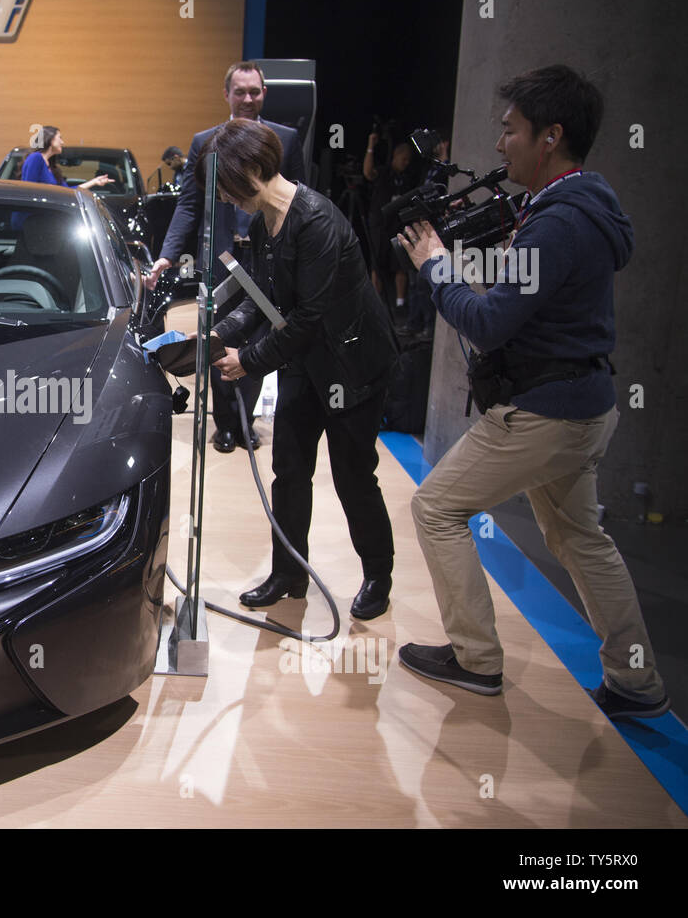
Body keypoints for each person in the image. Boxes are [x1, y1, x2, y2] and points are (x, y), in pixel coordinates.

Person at [397, 65, 669, 719]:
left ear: (551, 137)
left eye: (510, 130)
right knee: (580, 537)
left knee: (435, 509)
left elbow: (489, 322)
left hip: (544, 414)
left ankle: (476, 660)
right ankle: (638, 683)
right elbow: (529, 295)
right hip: (584, 405)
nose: (500, 144)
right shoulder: (586, 207)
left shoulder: (555, 225)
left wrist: (437, 267)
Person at [208, 119, 398, 619]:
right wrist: (218, 336)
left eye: (228, 185)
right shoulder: (260, 223)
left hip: (351, 364)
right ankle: (289, 571)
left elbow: (308, 319)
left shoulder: (316, 221)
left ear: (252, 169)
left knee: (354, 475)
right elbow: (262, 298)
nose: (226, 197)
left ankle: (378, 575)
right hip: (305, 361)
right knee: (289, 469)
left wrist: (246, 361)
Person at [146, 61, 306, 454]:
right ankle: (225, 425)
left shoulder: (286, 139)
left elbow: (300, 197)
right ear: (227, 94)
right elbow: (189, 204)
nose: (248, 98)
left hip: (266, 260)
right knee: (217, 338)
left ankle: (245, 419)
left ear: (264, 93)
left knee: (259, 338)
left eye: (255, 91)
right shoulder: (205, 141)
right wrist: (168, 255)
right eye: (241, 92)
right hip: (220, 260)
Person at [364, 133, 419, 319]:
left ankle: (400, 303)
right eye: (403, 159)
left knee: (400, 264)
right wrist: (371, 146)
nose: (405, 163)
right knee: (377, 265)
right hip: (380, 224)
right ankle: (375, 303)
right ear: (396, 156)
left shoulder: (408, 178)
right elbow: (368, 173)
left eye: (408, 161)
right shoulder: (384, 172)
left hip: (398, 224)